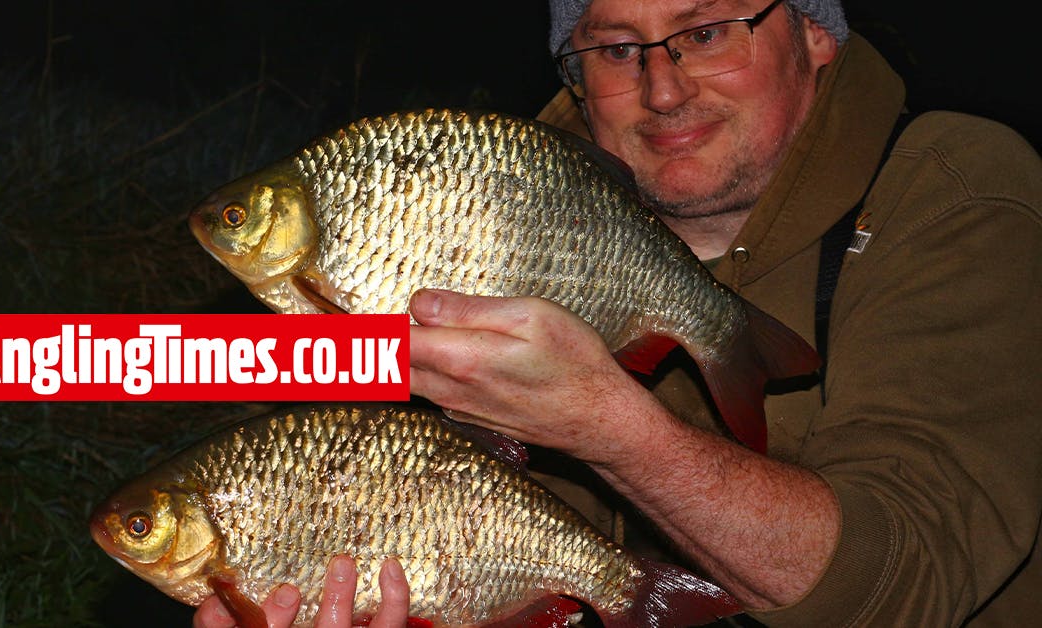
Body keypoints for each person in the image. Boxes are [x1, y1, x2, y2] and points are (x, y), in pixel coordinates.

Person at [197, 0, 1042, 625]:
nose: (662, 89)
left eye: (706, 33)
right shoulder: (475, 224)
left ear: (815, 32)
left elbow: (903, 585)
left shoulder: (956, 190)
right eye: (615, 49)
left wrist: (610, 427)